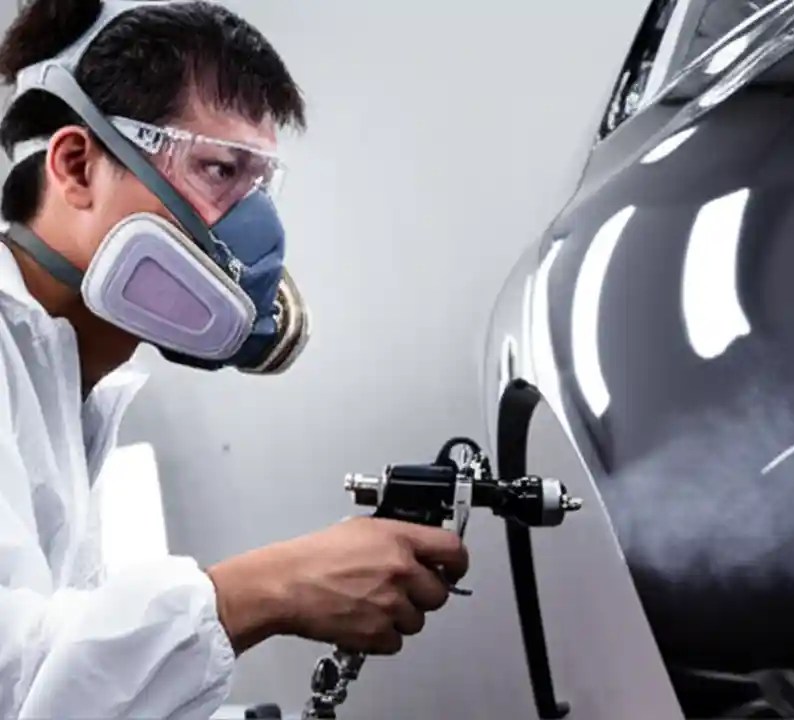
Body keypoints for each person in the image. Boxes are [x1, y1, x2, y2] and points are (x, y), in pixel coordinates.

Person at [0, 1, 468, 717]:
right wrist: (268, 588)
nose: (254, 232)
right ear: (76, 167)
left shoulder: (76, 387)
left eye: (258, 185)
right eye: (218, 169)